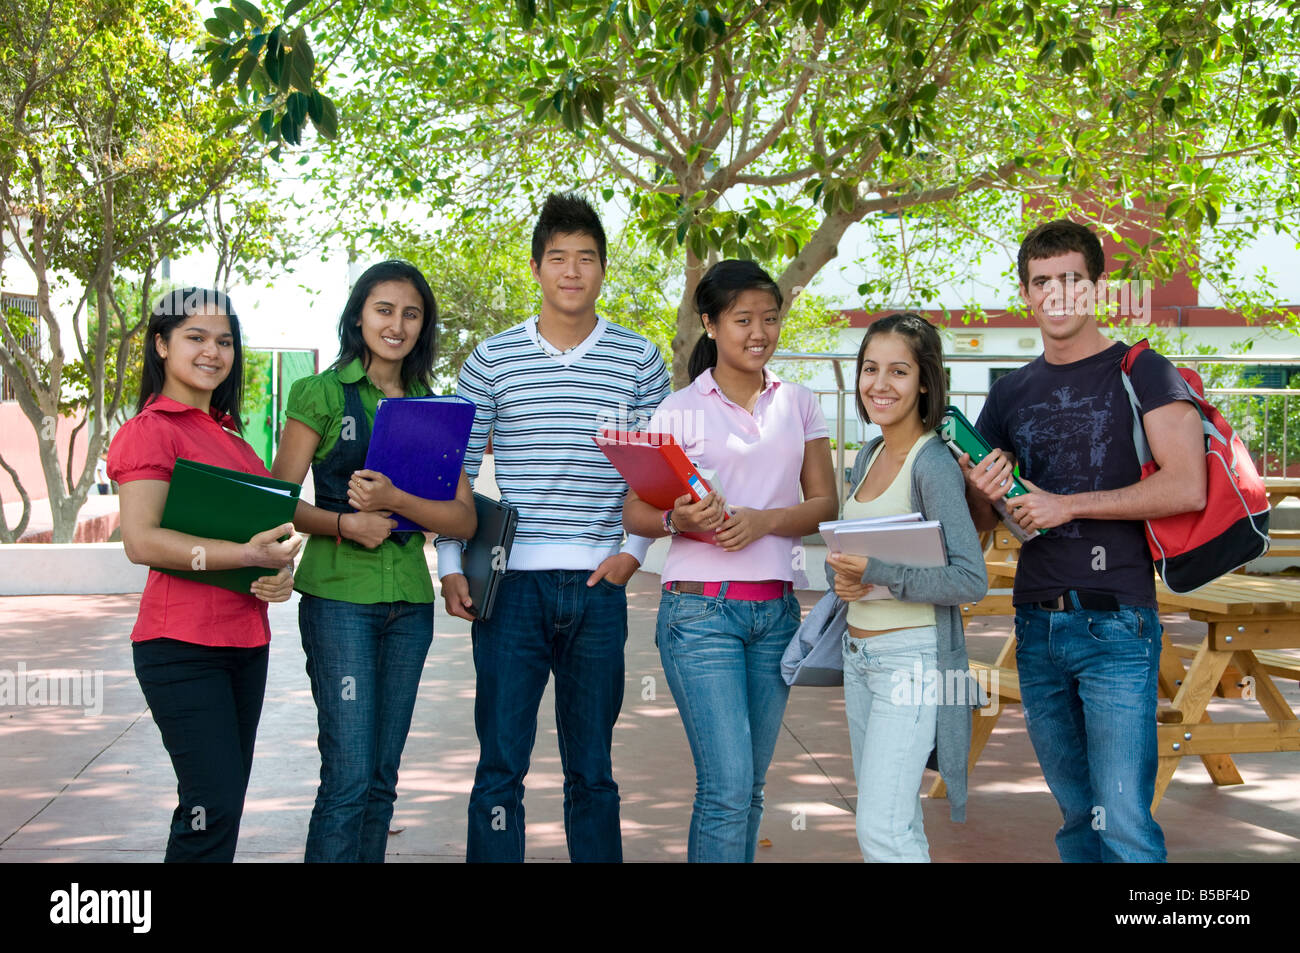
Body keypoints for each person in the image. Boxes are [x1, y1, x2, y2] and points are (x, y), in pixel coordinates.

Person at [437, 192, 671, 863]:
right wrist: (451, 563)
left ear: (603, 270)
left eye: (587, 258)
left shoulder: (639, 359)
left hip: (599, 586)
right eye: (559, 258)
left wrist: (633, 552)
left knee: (592, 771)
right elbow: (451, 472)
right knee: (500, 766)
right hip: (508, 588)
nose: (573, 270)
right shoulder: (491, 359)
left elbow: (656, 473)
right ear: (537, 268)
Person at [963, 219, 1206, 862]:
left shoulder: (1144, 371)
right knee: (1076, 819)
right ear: (1027, 294)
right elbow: (985, 521)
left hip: (1117, 623)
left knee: (1124, 823)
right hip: (1036, 624)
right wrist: (982, 489)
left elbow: (1188, 486)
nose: (1057, 294)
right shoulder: (1009, 391)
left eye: (1071, 279)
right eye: (1042, 282)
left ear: (1098, 287)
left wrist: (1066, 504)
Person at [621, 259, 838, 862]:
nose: (758, 332)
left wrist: (763, 520)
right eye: (742, 319)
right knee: (726, 787)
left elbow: (825, 504)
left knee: (751, 788)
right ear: (711, 324)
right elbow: (636, 511)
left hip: (776, 616)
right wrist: (676, 520)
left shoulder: (799, 402)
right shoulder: (679, 409)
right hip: (699, 616)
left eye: (769, 319)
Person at [271, 260, 476, 863]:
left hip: (410, 605)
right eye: (384, 310)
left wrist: (395, 501)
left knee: (382, 782)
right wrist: (343, 523)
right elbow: (279, 499)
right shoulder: (321, 392)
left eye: (411, 314)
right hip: (339, 603)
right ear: (358, 315)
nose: (397, 324)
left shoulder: (432, 409)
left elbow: (461, 519)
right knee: (350, 777)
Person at [109, 288, 301, 862]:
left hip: (245, 642)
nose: (213, 351)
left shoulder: (234, 440)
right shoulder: (153, 429)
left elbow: (262, 543)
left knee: (223, 804)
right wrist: (245, 555)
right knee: (209, 804)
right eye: (195, 337)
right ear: (162, 345)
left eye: (224, 341)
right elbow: (141, 542)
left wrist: (276, 574)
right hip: (180, 644)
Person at [825, 312, 987, 862]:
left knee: (882, 831)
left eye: (898, 371)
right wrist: (844, 577)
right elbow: (850, 557)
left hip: (911, 663)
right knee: (897, 822)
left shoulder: (933, 463)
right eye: (870, 369)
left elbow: (969, 578)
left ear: (924, 381)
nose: (880, 384)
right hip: (860, 657)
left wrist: (875, 572)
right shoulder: (867, 455)